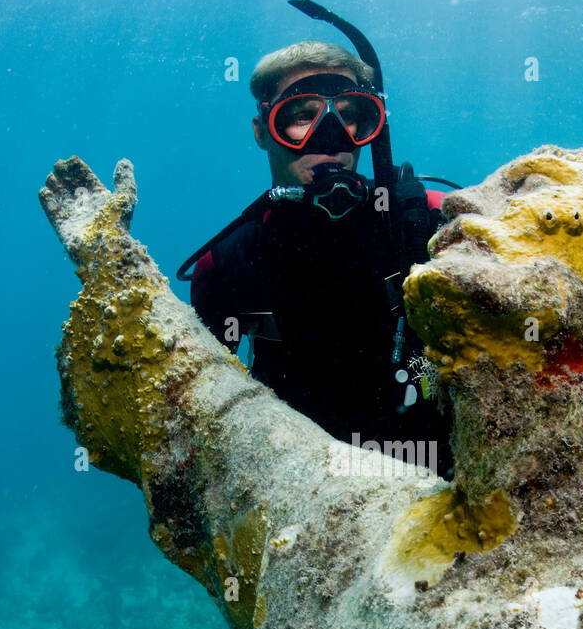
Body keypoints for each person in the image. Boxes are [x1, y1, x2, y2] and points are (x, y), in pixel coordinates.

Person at [180, 39, 452, 476]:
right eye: (302, 115)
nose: (331, 137)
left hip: (440, 489)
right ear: (262, 129)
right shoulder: (228, 266)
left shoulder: (433, 224)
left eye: (350, 115)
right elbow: (203, 406)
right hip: (297, 489)